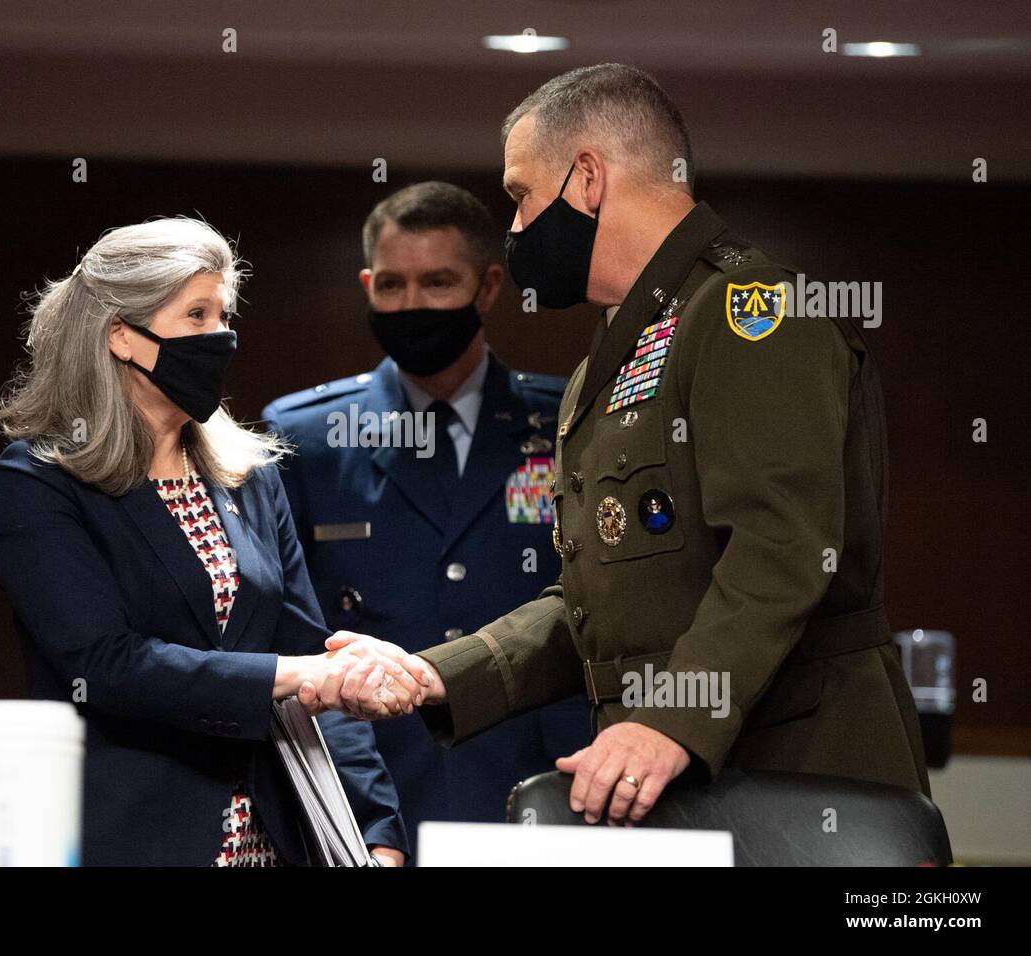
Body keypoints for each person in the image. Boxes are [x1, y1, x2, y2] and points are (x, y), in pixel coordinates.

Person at [316, 64, 931, 827]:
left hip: (800, 779)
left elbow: (784, 548)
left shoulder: (750, 312)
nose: (512, 227)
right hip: (678, 781)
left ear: (587, 179)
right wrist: (434, 674)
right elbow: (601, 602)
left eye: (521, 196)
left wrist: (671, 720)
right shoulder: (620, 352)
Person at [0, 216, 415, 866]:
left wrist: (375, 832)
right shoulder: (42, 481)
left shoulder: (248, 474)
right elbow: (104, 665)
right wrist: (294, 674)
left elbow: (310, 650)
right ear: (122, 337)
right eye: (198, 315)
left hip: (271, 843)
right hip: (125, 837)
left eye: (224, 314)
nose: (223, 337)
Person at [261, 182, 590, 850]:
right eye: (391, 285)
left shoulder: (568, 423)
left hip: (542, 776)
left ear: (489, 286)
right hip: (376, 785)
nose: (412, 305)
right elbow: (290, 629)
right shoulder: (308, 436)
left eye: (438, 283)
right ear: (367, 284)